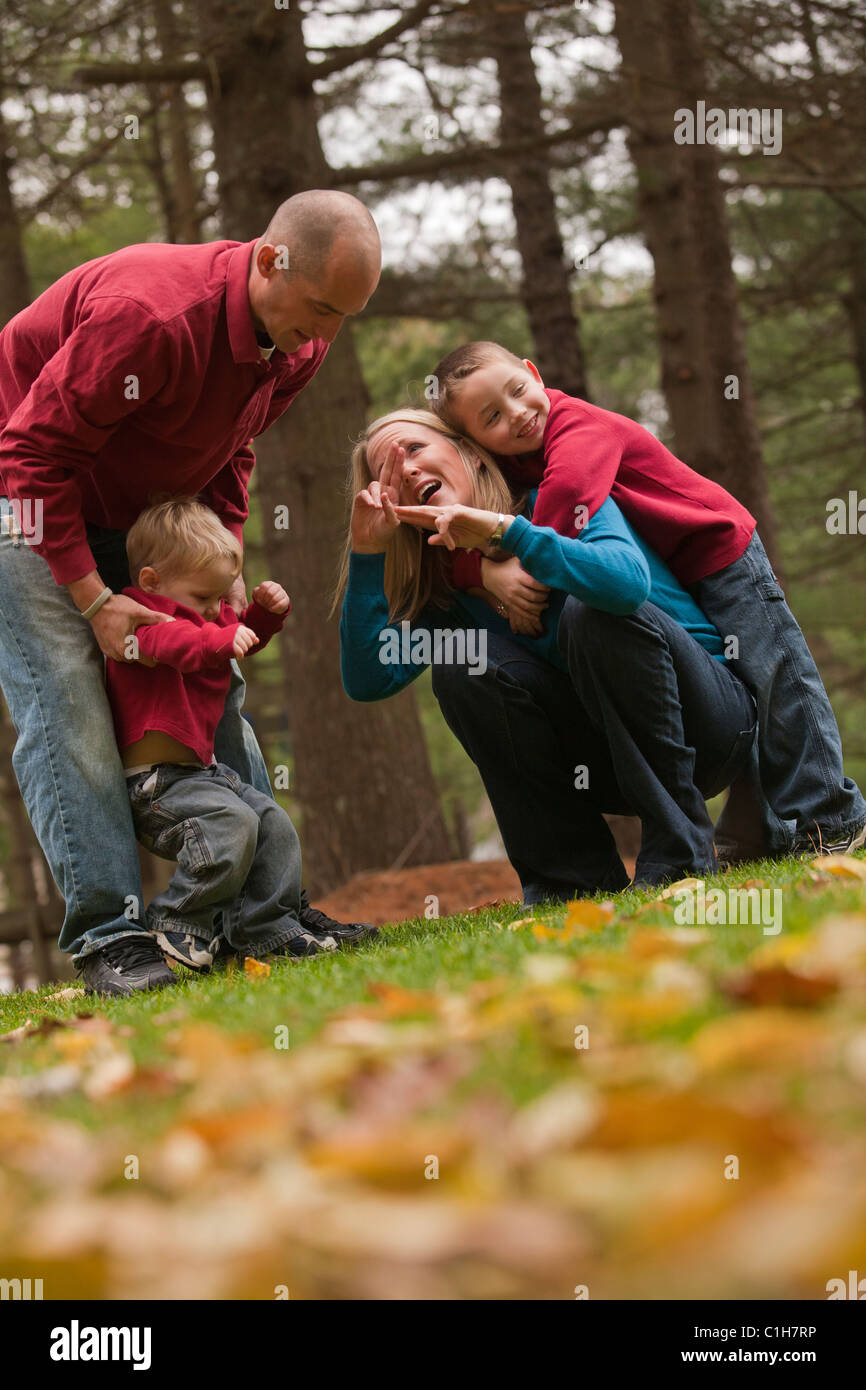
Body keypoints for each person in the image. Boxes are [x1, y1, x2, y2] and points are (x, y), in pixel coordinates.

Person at [0, 189, 382, 996]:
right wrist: (97, 603)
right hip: (20, 490)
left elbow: (233, 447)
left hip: (133, 503)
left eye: (344, 318)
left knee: (216, 671)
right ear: (270, 259)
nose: (324, 338)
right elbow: (31, 454)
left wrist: (224, 554)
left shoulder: (297, 343)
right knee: (66, 693)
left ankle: (262, 917)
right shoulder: (152, 316)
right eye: (318, 308)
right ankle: (112, 938)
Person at [426, 342, 866, 863]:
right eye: (492, 417)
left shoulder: (578, 426)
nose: (519, 414)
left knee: (775, 675)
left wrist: (508, 551)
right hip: (675, 570)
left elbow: (568, 498)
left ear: (533, 372)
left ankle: (831, 816)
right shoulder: (519, 460)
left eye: (518, 391)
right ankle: (766, 827)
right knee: (731, 678)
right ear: (475, 442)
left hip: (718, 550)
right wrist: (475, 570)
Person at [336, 410, 758, 897]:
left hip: (710, 722)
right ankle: (570, 884)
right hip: (612, 765)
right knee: (462, 663)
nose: (406, 469)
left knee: (591, 612)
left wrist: (509, 537)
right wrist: (367, 553)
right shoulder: (449, 595)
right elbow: (368, 679)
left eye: (414, 449)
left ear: (470, 453)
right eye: (386, 471)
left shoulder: (559, 496)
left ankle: (678, 859)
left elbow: (624, 587)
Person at [106, 497, 377, 978]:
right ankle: (176, 922)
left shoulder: (207, 622)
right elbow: (178, 647)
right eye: (203, 598)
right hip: (156, 785)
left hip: (204, 776)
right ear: (152, 582)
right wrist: (220, 637)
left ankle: (266, 928)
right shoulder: (141, 619)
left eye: (218, 598)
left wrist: (263, 617)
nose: (214, 610)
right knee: (232, 825)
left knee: (271, 823)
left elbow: (234, 634)